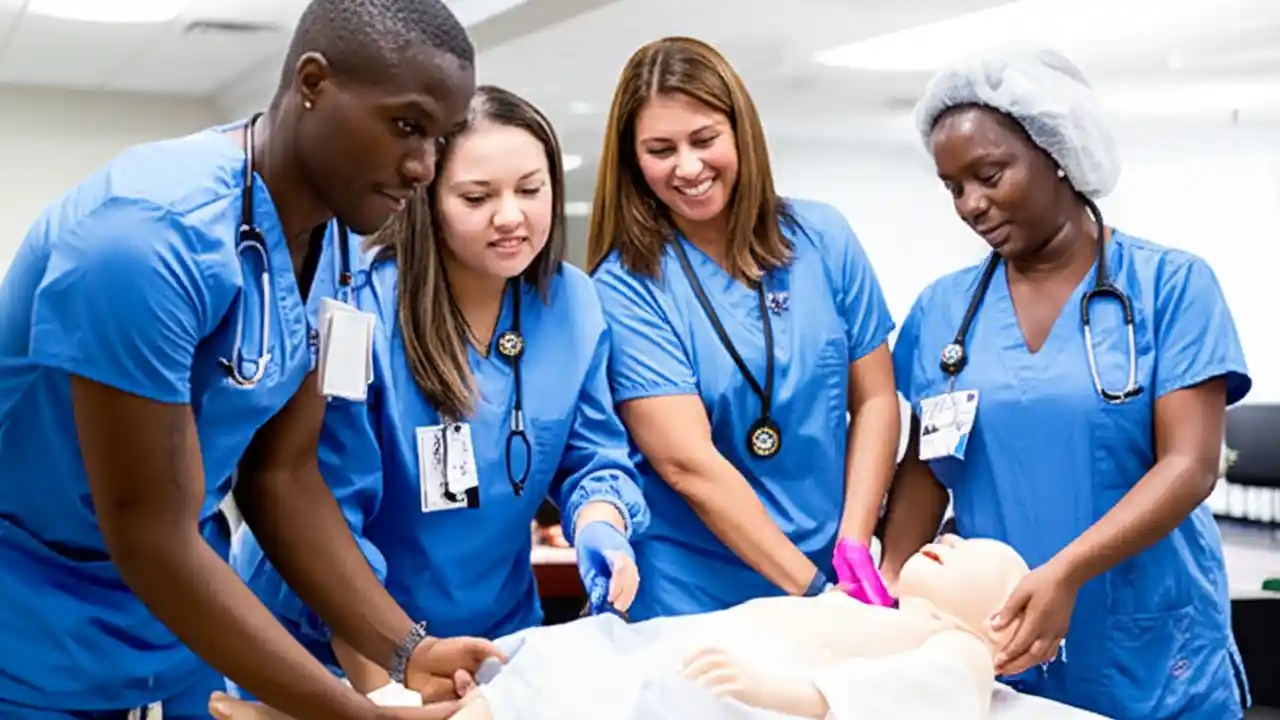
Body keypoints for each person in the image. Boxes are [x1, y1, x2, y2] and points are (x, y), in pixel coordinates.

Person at [0, 1, 505, 718]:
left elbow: (282, 474)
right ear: (312, 82)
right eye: (405, 125)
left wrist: (406, 649)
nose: (424, 166)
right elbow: (147, 532)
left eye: (440, 138)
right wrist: (354, 713)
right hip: (31, 633)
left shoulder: (327, 237)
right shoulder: (144, 241)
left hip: (172, 635)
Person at [231, 84, 650, 700]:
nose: (511, 216)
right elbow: (327, 516)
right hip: (335, 644)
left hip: (493, 637)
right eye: (478, 197)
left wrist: (600, 522)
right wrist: (389, 691)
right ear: (427, 201)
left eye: (531, 190)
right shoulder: (358, 313)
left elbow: (592, 454)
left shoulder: (572, 302)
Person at [879, 47, 1252, 719]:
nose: (971, 204)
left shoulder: (1171, 286)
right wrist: (893, 585)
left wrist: (1066, 573)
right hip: (997, 640)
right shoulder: (943, 311)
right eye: (953, 186)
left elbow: (1191, 465)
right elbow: (927, 468)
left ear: (1058, 152)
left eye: (989, 174)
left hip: (1151, 645)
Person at [587, 36, 900, 621]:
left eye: (704, 139)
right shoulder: (626, 286)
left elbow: (878, 397)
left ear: (741, 133)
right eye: (660, 149)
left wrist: (854, 543)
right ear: (633, 160)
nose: (688, 167)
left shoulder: (822, 238)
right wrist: (811, 592)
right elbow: (689, 467)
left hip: (830, 570)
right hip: (692, 596)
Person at [205, 536, 1108, 720]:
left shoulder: (947, 646)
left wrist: (799, 695)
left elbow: (919, 701)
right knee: (550, 657)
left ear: (997, 621)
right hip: (671, 644)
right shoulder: (875, 608)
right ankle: (361, 706)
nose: (943, 537)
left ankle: (332, 714)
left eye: (973, 549)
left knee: (561, 699)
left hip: (722, 687)